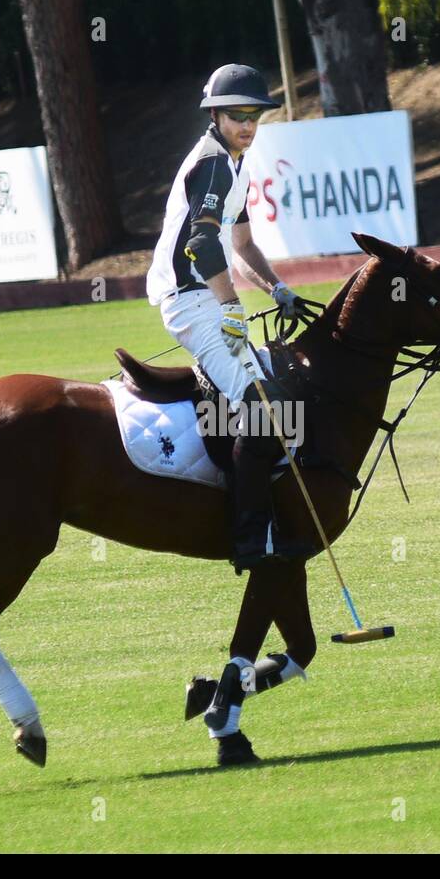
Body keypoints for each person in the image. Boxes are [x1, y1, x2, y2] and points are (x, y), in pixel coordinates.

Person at [146, 63, 307, 571]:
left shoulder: (236, 164)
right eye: (236, 115)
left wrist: (278, 288)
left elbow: (240, 245)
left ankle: (267, 523)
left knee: (277, 403)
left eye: (254, 116)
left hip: (209, 296)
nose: (247, 125)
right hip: (192, 299)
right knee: (266, 410)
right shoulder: (214, 163)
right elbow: (200, 246)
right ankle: (249, 542)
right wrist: (233, 308)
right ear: (215, 115)